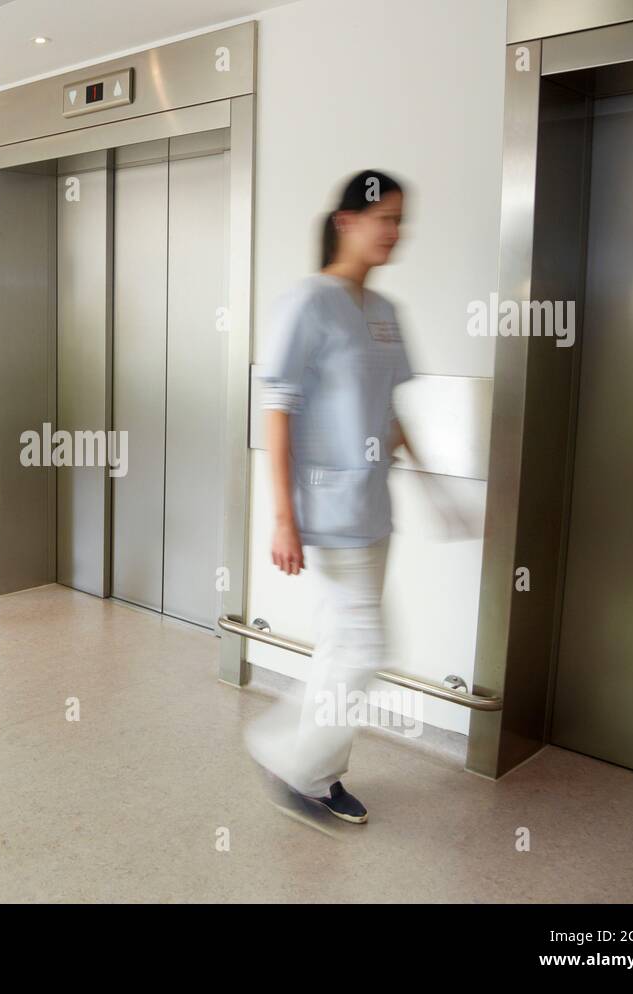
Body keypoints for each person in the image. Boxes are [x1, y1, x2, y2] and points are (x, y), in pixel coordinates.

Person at [245, 170, 424, 825]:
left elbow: (387, 410)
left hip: (375, 511)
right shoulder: (308, 303)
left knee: (340, 647)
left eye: (401, 220)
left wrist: (428, 477)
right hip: (327, 513)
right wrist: (282, 520)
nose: (394, 232)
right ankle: (285, 752)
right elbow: (277, 411)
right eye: (385, 218)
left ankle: (316, 774)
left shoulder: (384, 313)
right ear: (347, 221)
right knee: (365, 649)